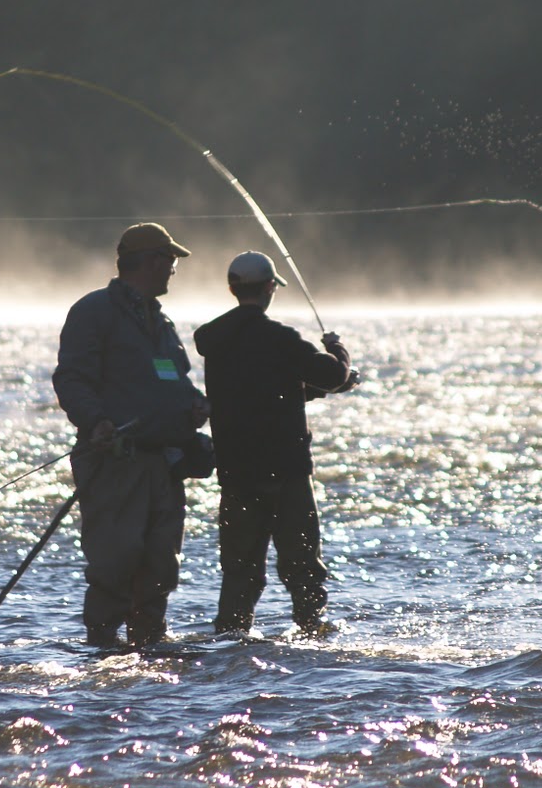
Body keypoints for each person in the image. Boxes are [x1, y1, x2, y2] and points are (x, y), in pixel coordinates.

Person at [53, 222, 209, 648]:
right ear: (153, 261)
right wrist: (95, 422)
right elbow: (72, 379)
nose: (174, 269)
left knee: (161, 564)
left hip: (164, 460)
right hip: (116, 460)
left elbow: (174, 380)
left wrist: (193, 404)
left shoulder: (162, 322)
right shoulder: (94, 311)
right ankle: (103, 645)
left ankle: (148, 645)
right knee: (115, 559)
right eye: (171, 260)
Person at [193, 250, 356, 637]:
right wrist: (338, 349)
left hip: (235, 472)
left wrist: (305, 389)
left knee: (239, 571)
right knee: (303, 567)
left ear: (232, 288)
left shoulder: (212, 340)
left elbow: (258, 390)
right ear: (269, 288)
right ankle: (310, 633)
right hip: (286, 472)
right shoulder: (281, 339)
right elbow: (333, 376)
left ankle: (230, 640)